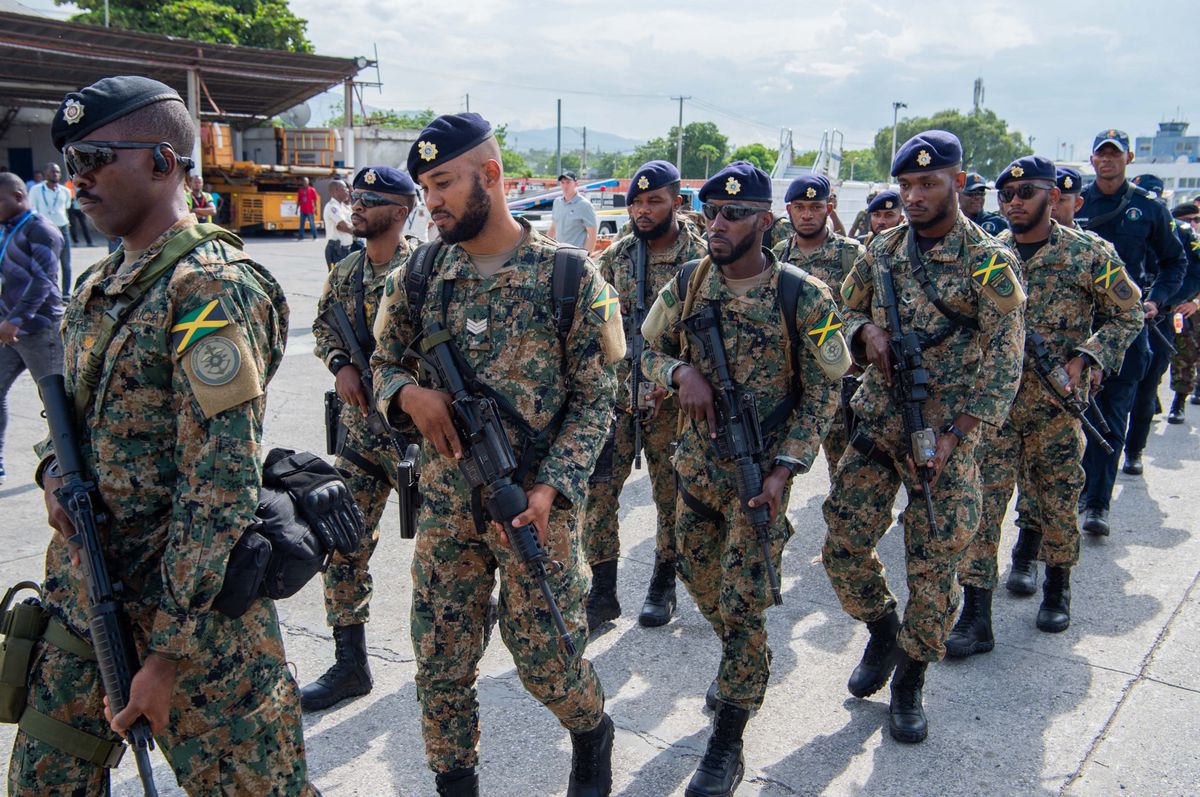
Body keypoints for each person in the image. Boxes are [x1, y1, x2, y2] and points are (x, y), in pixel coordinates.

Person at [9, 75, 315, 795]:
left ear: (160, 161)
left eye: (93, 156)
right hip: (86, 600)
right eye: (70, 160)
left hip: (194, 628)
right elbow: (71, 420)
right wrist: (52, 467)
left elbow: (221, 482)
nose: (75, 176)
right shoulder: (98, 284)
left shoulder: (209, 289)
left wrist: (168, 656)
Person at [371, 113, 619, 797]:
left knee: (548, 661)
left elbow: (600, 398)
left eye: (443, 182)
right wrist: (406, 394)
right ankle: (457, 782)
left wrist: (554, 488)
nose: (432, 201)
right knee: (441, 663)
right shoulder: (418, 276)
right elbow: (381, 363)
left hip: (535, 508)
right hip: (449, 509)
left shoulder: (570, 278)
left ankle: (592, 730)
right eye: (424, 188)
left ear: (490, 175)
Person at [641, 161, 846, 795]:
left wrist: (788, 466)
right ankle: (746, 660)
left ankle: (725, 744)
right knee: (708, 596)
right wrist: (679, 375)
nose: (717, 224)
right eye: (709, 212)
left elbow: (826, 390)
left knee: (743, 605)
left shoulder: (804, 296)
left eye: (733, 214)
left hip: (760, 482)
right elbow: (642, 351)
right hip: (696, 476)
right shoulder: (686, 285)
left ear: (765, 220)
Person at [823, 130, 1024, 744]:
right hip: (880, 424)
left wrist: (957, 435)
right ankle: (883, 630)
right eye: (906, 185)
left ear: (958, 184)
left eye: (928, 184)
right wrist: (864, 336)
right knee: (842, 544)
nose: (914, 196)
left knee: (936, 570)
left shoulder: (989, 261)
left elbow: (1005, 363)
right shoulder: (880, 249)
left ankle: (910, 680)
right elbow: (834, 312)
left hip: (949, 436)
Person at [948, 156, 1143, 655]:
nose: (1014, 203)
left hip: (1057, 408)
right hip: (996, 411)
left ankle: (1057, 586)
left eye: (1026, 194)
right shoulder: (989, 256)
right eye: (1007, 196)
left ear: (1052, 197)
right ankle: (975, 616)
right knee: (983, 509)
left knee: (1057, 502)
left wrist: (1088, 358)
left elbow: (1129, 313)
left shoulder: (1087, 254)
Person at [303, 166, 418, 712]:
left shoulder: (425, 269)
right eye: (356, 196)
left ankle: (459, 649)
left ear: (399, 211)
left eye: (369, 199)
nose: (356, 205)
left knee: (451, 554)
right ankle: (351, 665)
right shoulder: (346, 270)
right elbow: (324, 325)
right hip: (361, 439)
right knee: (342, 542)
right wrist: (341, 364)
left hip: (424, 442)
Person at [583, 160, 707, 631]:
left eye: (654, 200)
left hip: (674, 405)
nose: (643, 209)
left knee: (669, 496)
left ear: (677, 202)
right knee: (598, 493)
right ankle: (602, 588)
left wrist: (665, 383)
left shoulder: (700, 262)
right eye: (636, 201)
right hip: (617, 399)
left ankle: (663, 580)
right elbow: (594, 325)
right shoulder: (615, 257)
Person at [1077, 130, 1185, 535]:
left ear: (1129, 158)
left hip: (1127, 328)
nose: (1108, 161)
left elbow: (1175, 262)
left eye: (1115, 155)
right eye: (1101, 154)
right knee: (1075, 416)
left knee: (1113, 415)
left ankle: (1098, 505)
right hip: (1077, 328)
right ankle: (1079, 491)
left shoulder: (1148, 208)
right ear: (1092, 159)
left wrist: (1156, 300)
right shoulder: (1076, 202)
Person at [771, 172, 864, 467]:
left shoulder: (851, 255)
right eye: (800, 207)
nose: (807, 215)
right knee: (775, 469)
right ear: (788, 211)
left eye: (815, 207)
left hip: (837, 381)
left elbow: (867, 312)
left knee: (846, 472)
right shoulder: (776, 257)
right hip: (789, 383)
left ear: (830, 207)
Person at [1122, 193, 1200, 458]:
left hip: (1160, 316)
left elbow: (1191, 272)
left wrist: (1166, 301)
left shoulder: (1182, 234)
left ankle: (1134, 451)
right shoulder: (1123, 223)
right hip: (1121, 313)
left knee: (1148, 385)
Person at [0, 172, 64, 488]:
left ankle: (66, 465)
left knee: (57, 404)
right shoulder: (8, 229)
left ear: (18, 195)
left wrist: (16, 319)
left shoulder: (41, 231)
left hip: (40, 331)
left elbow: (43, 282)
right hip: (9, 333)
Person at [1166, 203, 1200, 423]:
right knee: (1176, 355)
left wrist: (1195, 303)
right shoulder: (1166, 244)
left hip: (1192, 309)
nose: (1194, 225)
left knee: (1188, 354)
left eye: (1197, 220)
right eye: (1189, 220)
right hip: (1170, 307)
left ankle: (1180, 400)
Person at [29, 162, 72, 295]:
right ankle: (51, 293)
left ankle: (65, 294)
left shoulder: (65, 190)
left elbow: (67, 207)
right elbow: (32, 209)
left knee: (66, 264)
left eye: (58, 172)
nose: (56, 174)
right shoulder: (36, 190)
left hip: (63, 228)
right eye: (53, 171)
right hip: (45, 231)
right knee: (48, 264)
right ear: (45, 174)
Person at [548, 171, 598, 251]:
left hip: (575, 255)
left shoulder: (585, 205)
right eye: (562, 182)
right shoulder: (557, 202)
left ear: (576, 184)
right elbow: (553, 227)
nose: (565, 186)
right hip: (558, 253)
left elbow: (592, 235)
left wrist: (586, 257)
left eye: (568, 182)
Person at [322, 178, 357, 270]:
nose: (347, 191)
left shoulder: (342, 207)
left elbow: (351, 225)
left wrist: (350, 227)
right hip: (336, 251)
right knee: (336, 281)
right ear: (336, 191)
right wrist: (361, 231)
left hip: (345, 249)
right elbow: (346, 226)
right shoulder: (332, 207)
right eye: (344, 188)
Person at [63, 178, 94, 246]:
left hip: (80, 207)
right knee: (73, 225)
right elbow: (67, 194)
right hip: (71, 206)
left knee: (84, 225)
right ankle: (75, 242)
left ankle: (89, 242)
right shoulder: (68, 184)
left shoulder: (81, 182)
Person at [297, 176, 319, 240]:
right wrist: (297, 209)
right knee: (301, 224)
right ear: (302, 182)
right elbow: (299, 200)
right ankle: (301, 237)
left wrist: (316, 209)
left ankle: (315, 236)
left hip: (310, 210)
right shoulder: (300, 190)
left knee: (312, 224)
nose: (305, 183)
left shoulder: (312, 190)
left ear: (308, 182)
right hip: (302, 210)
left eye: (306, 181)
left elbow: (315, 200)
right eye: (304, 182)